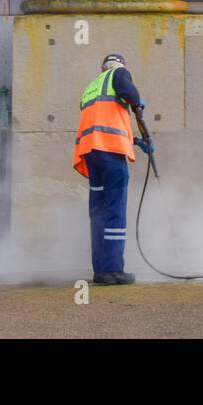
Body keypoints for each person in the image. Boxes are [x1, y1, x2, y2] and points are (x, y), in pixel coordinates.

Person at [73, 53, 153, 286]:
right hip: (110, 153)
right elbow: (130, 93)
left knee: (98, 212)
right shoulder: (118, 74)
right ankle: (113, 269)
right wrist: (137, 104)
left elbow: (105, 123)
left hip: (91, 154)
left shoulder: (92, 87)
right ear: (121, 66)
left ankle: (100, 270)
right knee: (115, 210)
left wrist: (137, 142)